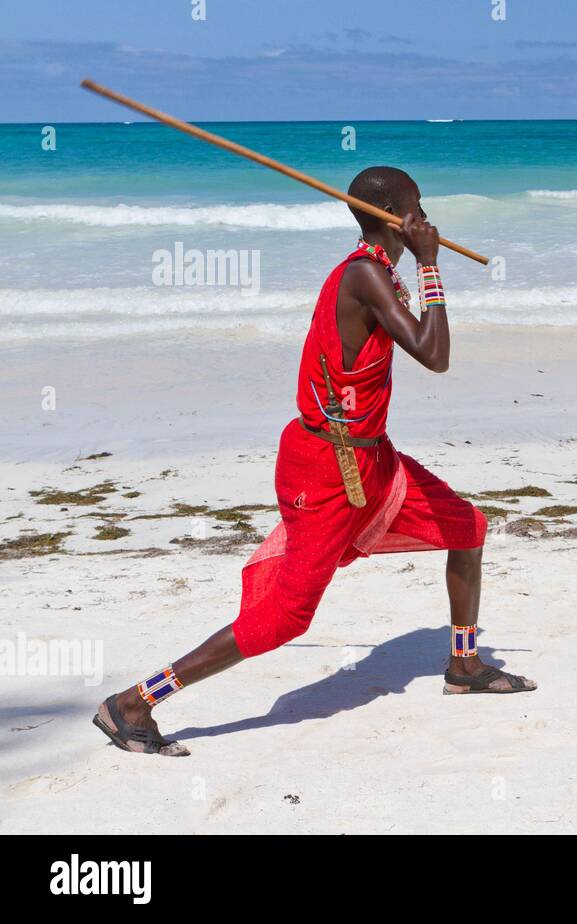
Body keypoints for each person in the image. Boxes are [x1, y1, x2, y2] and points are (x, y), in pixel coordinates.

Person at [94, 166, 535, 756]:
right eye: (418, 207)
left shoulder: (378, 274)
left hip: (374, 462)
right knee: (283, 619)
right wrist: (432, 263)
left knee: (466, 526)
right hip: (326, 471)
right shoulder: (363, 277)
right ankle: (134, 702)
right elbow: (436, 355)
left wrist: (419, 262)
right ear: (392, 219)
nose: (427, 219)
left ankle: (463, 663)